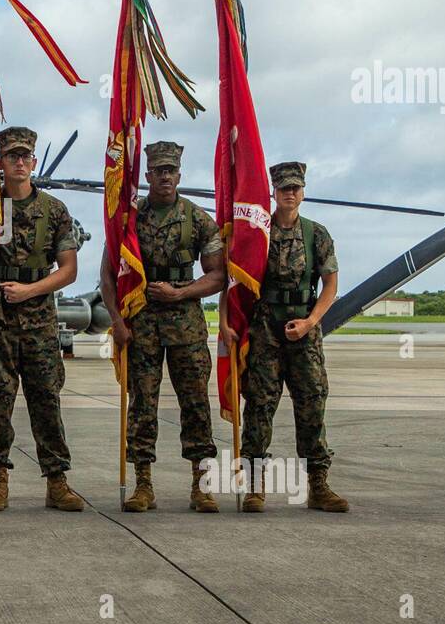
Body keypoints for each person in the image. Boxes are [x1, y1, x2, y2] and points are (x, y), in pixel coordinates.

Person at [0, 126, 85, 512]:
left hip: (40, 320)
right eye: (12, 155)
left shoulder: (54, 210)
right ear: (1, 161)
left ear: (34, 161)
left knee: (46, 399)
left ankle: (57, 480)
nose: (20, 162)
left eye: (26, 156)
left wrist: (30, 291)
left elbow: (69, 269)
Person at [101, 141, 226, 513]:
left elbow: (219, 274)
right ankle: (142, 484)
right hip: (141, 325)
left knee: (196, 404)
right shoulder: (128, 219)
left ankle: (201, 483)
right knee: (142, 404)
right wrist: (118, 322)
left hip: (185, 324)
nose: (165, 176)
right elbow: (108, 276)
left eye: (171, 170)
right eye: (158, 171)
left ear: (179, 175)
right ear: (148, 175)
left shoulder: (198, 219)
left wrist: (180, 293)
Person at [230, 161, 349, 513]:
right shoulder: (258, 232)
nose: (291, 194)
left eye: (296, 188)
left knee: (312, 403)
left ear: (303, 191)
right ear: (274, 192)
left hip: (304, 328)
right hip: (265, 327)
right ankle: (254, 485)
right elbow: (234, 280)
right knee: (259, 405)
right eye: (284, 189)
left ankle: (318, 485)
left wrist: (311, 322)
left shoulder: (317, 234)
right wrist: (227, 320)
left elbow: (330, 285)